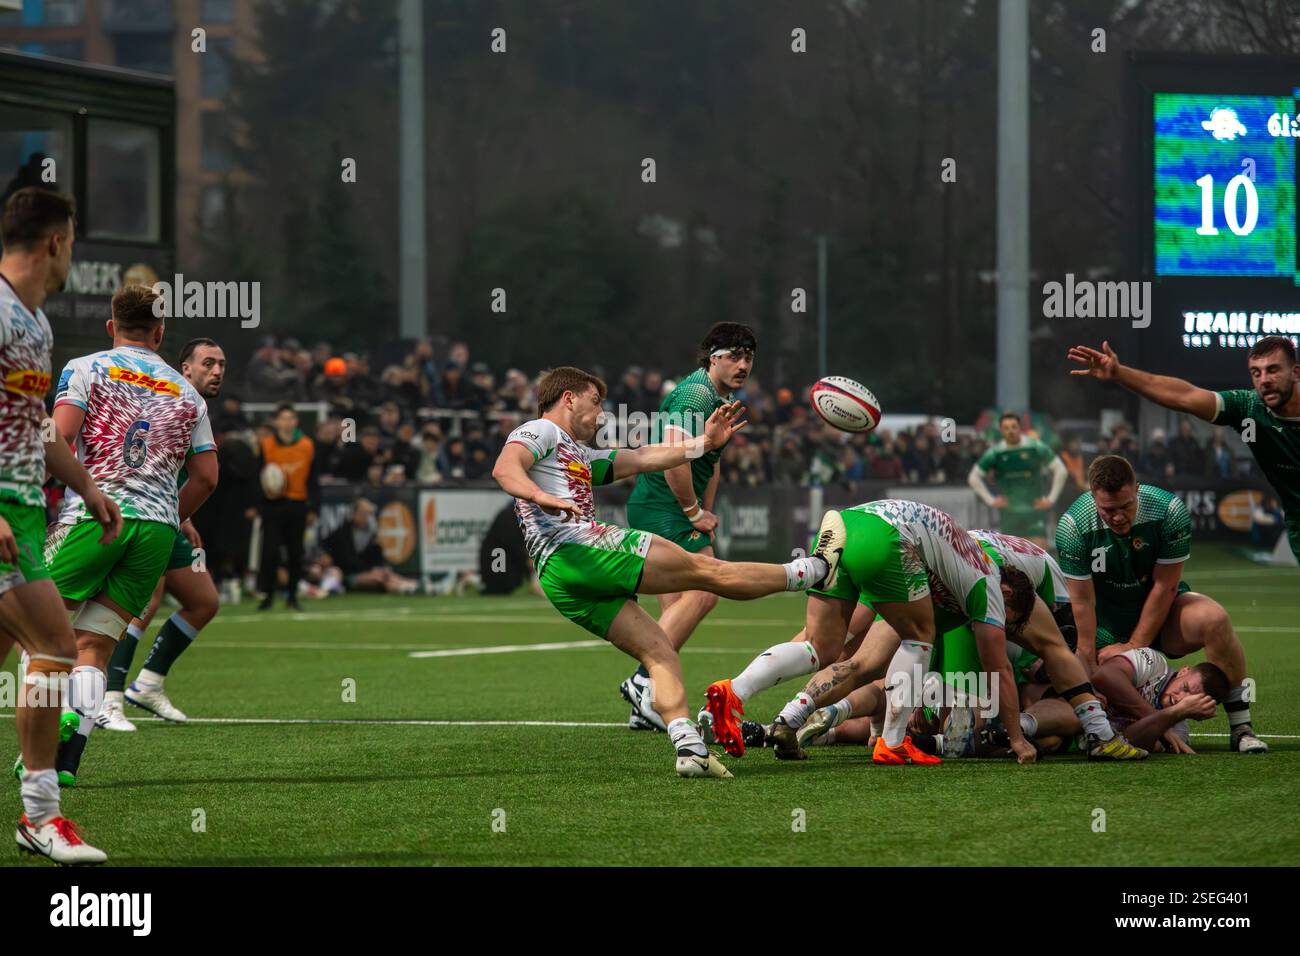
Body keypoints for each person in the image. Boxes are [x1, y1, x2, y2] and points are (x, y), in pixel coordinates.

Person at [491, 365, 842, 778]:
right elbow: (504, 467)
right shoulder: (542, 431)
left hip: (560, 579)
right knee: (705, 572)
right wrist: (539, 495)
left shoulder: (578, 454)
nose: (601, 413)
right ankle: (813, 570)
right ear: (568, 398)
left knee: (657, 648)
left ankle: (688, 747)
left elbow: (643, 457)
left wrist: (704, 443)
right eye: (595, 401)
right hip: (581, 548)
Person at [37, 284, 217, 787]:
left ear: (111, 327)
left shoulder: (86, 367)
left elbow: (61, 436)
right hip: (157, 533)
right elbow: (207, 478)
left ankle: (41, 743)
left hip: (96, 518)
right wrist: (166, 512)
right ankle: (67, 759)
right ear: (161, 333)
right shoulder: (188, 393)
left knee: (41, 631)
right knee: (95, 644)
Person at [0, 187, 119, 863]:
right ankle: (41, 816)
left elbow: (36, 428)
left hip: (22, 510)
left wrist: (89, 487)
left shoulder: (37, 325)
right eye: (72, 241)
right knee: (52, 645)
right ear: (54, 243)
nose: (73, 253)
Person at [1055, 454, 1267, 753]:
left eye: (1126, 506)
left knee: (1214, 618)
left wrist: (1135, 646)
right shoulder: (1073, 525)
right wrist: (1087, 659)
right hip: (1104, 625)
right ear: (1093, 497)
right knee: (1075, 663)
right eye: (1108, 510)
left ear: (1137, 489)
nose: (1118, 517)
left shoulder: (1168, 510)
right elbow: (1082, 601)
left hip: (1162, 614)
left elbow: (1165, 586)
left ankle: (1241, 727)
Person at [620, 322, 756, 731]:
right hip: (665, 507)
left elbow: (707, 462)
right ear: (712, 357)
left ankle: (649, 703)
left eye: (749, 356)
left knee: (676, 607)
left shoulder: (717, 396)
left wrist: (706, 513)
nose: (744, 364)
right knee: (706, 591)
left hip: (667, 508)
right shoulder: (695, 396)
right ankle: (643, 681)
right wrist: (694, 512)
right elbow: (677, 457)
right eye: (734, 355)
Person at [1069, 336, 1300, 562]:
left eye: (1273, 370)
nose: (1264, 379)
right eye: (1256, 373)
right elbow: (1184, 395)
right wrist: (1119, 373)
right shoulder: (1248, 407)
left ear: (1296, 373)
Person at [97, 338, 227, 731]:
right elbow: (199, 475)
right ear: (185, 368)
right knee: (143, 601)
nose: (218, 370)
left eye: (222, 364)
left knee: (203, 601)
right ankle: (108, 698)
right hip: (136, 514)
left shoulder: (189, 401)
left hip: (163, 516)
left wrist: (180, 517)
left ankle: (148, 684)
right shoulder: (174, 396)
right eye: (208, 363)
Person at [968, 412, 1067, 547]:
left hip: (1034, 513)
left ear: (1020, 428)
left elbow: (1061, 470)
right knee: (1013, 563)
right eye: (1006, 428)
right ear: (1001, 430)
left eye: (1014, 427)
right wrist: (991, 500)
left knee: (1039, 556)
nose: (1011, 431)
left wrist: (1051, 499)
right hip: (1009, 516)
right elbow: (973, 477)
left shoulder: (1035, 447)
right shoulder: (996, 452)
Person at [257, 403, 318, 611]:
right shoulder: (266, 445)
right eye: (283, 418)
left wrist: (314, 508)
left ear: (296, 421)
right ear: (276, 422)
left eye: (290, 418)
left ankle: (292, 595)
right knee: (269, 553)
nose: (287, 422)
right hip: (273, 506)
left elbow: (313, 479)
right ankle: (268, 595)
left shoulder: (307, 445)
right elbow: (258, 477)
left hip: (298, 504)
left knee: (295, 553)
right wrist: (257, 504)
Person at [321, 498, 419, 594]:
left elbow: (377, 558)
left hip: (368, 572)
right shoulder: (341, 534)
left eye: (369, 513)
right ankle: (406, 588)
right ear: (354, 514)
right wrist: (369, 570)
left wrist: (380, 568)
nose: (367, 517)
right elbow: (346, 562)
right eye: (364, 513)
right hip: (348, 576)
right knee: (379, 578)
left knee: (385, 574)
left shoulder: (371, 534)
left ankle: (412, 585)